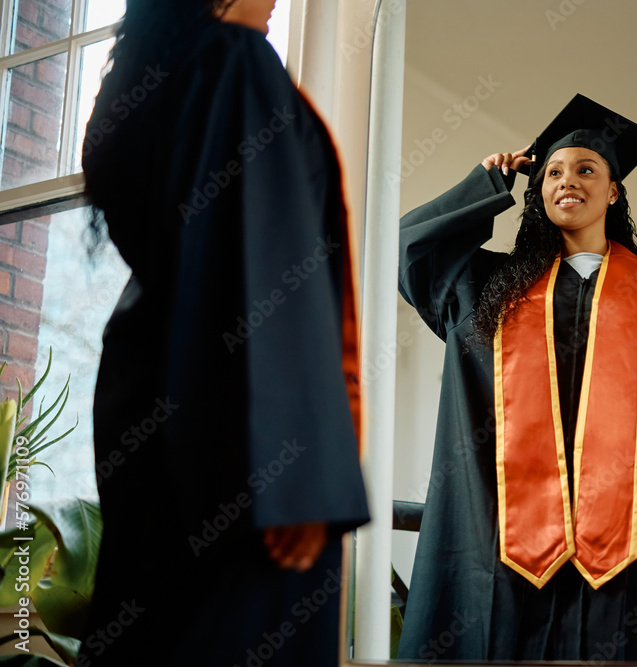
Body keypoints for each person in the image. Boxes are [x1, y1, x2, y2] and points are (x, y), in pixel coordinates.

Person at [397, 94, 637, 661]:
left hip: (622, 555)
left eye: (587, 168)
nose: (568, 180)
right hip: (495, 545)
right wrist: (488, 183)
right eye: (554, 171)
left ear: (614, 191)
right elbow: (412, 249)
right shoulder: (487, 285)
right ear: (537, 192)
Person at [78, 1, 368, 664]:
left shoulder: (150, 85)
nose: (273, 3)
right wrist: (291, 473)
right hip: (247, 479)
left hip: (160, 422)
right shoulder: (232, 64)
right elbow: (264, 266)